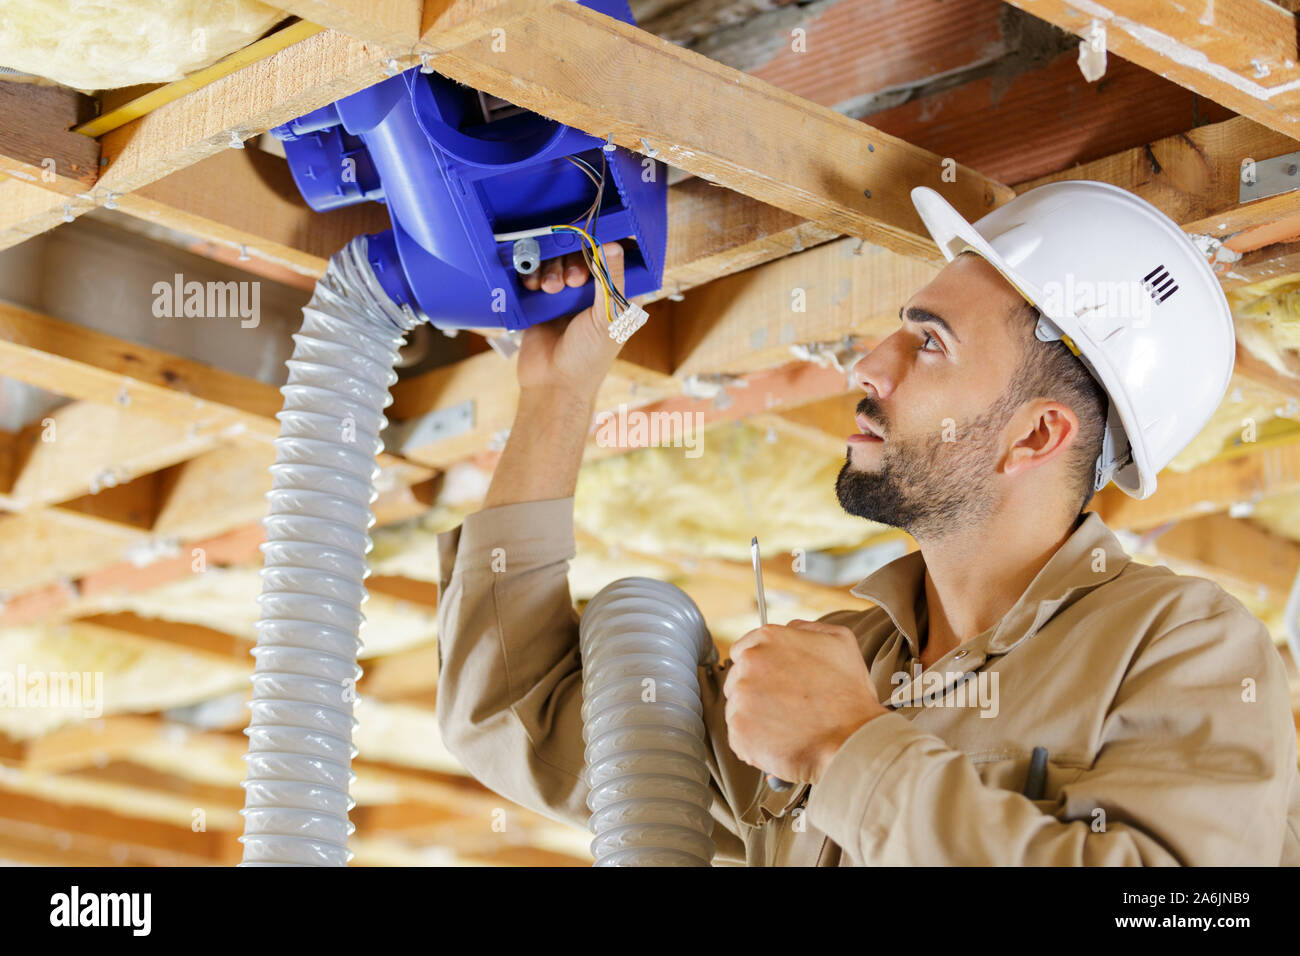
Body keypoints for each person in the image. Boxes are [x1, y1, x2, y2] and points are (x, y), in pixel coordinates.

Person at [432, 181, 1300, 865]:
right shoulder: (843, 660)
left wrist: (850, 748)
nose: (868, 364)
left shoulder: (1180, 644)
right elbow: (516, 714)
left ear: (1036, 435)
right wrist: (557, 393)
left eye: (931, 343)